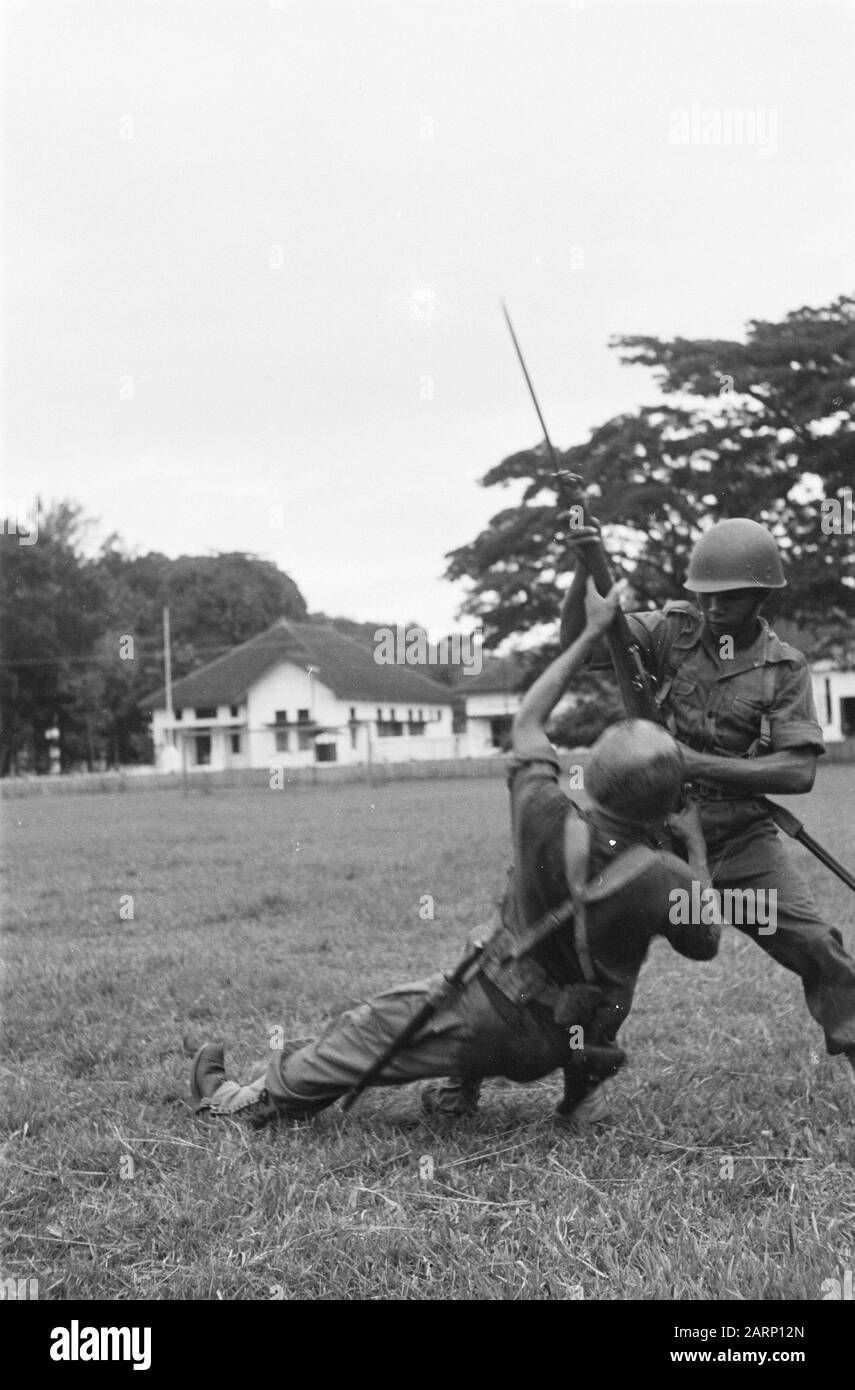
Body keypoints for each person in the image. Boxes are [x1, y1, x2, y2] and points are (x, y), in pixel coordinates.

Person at [189, 578, 720, 1129]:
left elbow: (528, 722)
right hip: (565, 1042)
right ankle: (497, 1095)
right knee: (564, 979)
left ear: (597, 776)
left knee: (361, 1032)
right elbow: (704, 945)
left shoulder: (543, 813)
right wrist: (697, 848)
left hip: (492, 1019)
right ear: (666, 807)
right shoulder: (669, 879)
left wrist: (588, 632)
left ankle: (238, 1104)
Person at [559, 515, 855, 1077]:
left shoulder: (784, 667)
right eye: (706, 595)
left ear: (761, 596)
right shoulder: (671, 631)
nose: (714, 607)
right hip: (653, 838)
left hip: (740, 838)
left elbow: (797, 771)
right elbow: (583, 640)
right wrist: (584, 569)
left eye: (730, 597)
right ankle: (584, 1079)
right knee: (595, 959)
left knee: (817, 946)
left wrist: (694, 763)